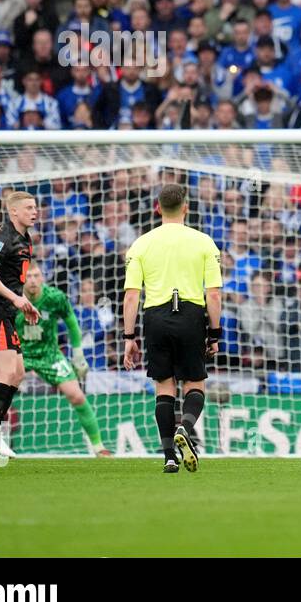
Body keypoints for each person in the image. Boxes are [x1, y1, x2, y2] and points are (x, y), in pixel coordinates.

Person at [121, 184, 223, 474]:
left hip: (155, 316)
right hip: (190, 313)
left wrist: (129, 337)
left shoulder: (141, 244)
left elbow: (131, 296)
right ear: (186, 207)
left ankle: (168, 457)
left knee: (163, 388)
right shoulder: (204, 242)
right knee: (194, 385)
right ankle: (185, 426)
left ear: (158, 208)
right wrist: (214, 333)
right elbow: (213, 295)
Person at [0, 262, 110, 456]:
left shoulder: (55, 298)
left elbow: (72, 324)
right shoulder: (11, 298)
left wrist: (78, 355)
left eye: (37, 276)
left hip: (49, 353)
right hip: (17, 352)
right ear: (22, 278)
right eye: (29, 276)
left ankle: (98, 446)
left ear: (43, 277)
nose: (33, 280)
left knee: (76, 395)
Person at [0, 191, 41, 461]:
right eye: (28, 208)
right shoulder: (3, 237)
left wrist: (24, 302)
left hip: (7, 311)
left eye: (35, 207)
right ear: (14, 212)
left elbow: (11, 280)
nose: (34, 211)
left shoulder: (25, 238)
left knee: (18, 373)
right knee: (5, 371)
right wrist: (15, 298)